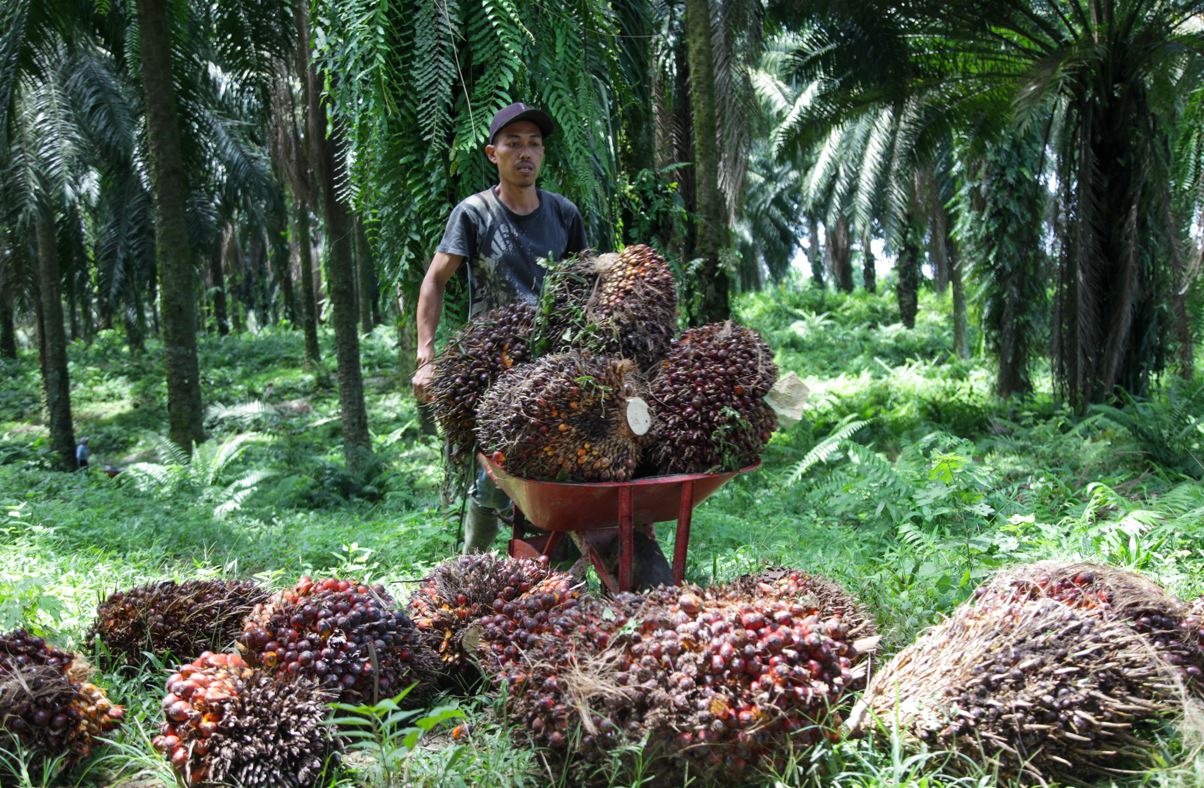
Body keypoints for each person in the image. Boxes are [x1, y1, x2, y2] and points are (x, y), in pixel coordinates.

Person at [411, 102, 587, 554]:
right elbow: (434, 281)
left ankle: (555, 575)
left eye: (534, 144)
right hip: (491, 372)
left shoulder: (565, 214)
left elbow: (586, 285)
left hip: (552, 367)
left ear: (543, 155)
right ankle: (472, 568)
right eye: (513, 143)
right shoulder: (474, 214)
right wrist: (426, 357)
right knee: (493, 480)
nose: (524, 152)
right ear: (493, 153)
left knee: (560, 474)